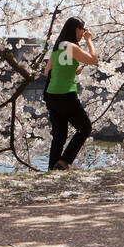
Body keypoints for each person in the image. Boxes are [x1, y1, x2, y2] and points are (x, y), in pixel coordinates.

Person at [42, 16, 99, 170]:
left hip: (51, 95)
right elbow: (94, 60)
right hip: (66, 94)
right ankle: (63, 162)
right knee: (85, 128)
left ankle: (52, 169)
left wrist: (73, 71)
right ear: (76, 29)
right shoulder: (71, 47)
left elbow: (48, 72)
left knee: (59, 135)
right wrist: (89, 41)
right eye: (82, 30)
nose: (82, 33)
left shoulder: (57, 46)